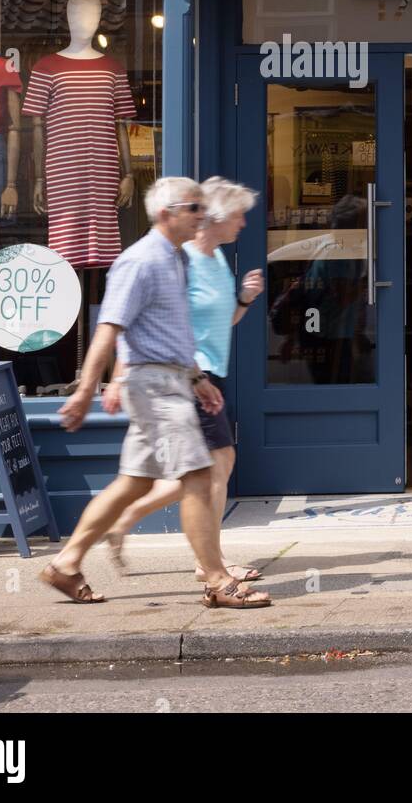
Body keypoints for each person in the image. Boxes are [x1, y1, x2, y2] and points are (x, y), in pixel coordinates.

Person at [38, 176, 270, 608]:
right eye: (194, 208)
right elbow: (110, 325)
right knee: (200, 475)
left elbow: (175, 330)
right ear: (168, 214)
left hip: (176, 378)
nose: (202, 216)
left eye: (203, 208)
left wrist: (198, 378)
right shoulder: (141, 260)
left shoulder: (178, 259)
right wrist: (89, 386)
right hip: (156, 385)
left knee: (133, 484)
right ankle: (218, 580)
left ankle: (66, 565)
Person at [102, 177, 265, 585]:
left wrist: (244, 299)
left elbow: (221, 322)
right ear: (218, 217)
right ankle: (209, 562)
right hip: (186, 375)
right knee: (215, 465)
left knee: (207, 468)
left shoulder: (216, 260)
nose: (244, 224)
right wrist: (118, 377)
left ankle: (132, 520)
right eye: (240, 215)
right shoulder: (184, 259)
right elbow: (135, 320)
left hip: (209, 374)